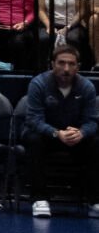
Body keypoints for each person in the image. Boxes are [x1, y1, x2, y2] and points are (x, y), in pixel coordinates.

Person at [22, 44, 99, 218]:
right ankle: (39, 199)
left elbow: (92, 121)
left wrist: (82, 133)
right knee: (33, 139)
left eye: (71, 64)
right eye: (61, 63)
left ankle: (95, 201)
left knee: (96, 142)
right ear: (52, 64)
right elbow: (33, 119)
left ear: (78, 67)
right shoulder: (39, 84)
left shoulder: (86, 87)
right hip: (47, 136)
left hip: (74, 137)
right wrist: (56, 133)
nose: (66, 68)